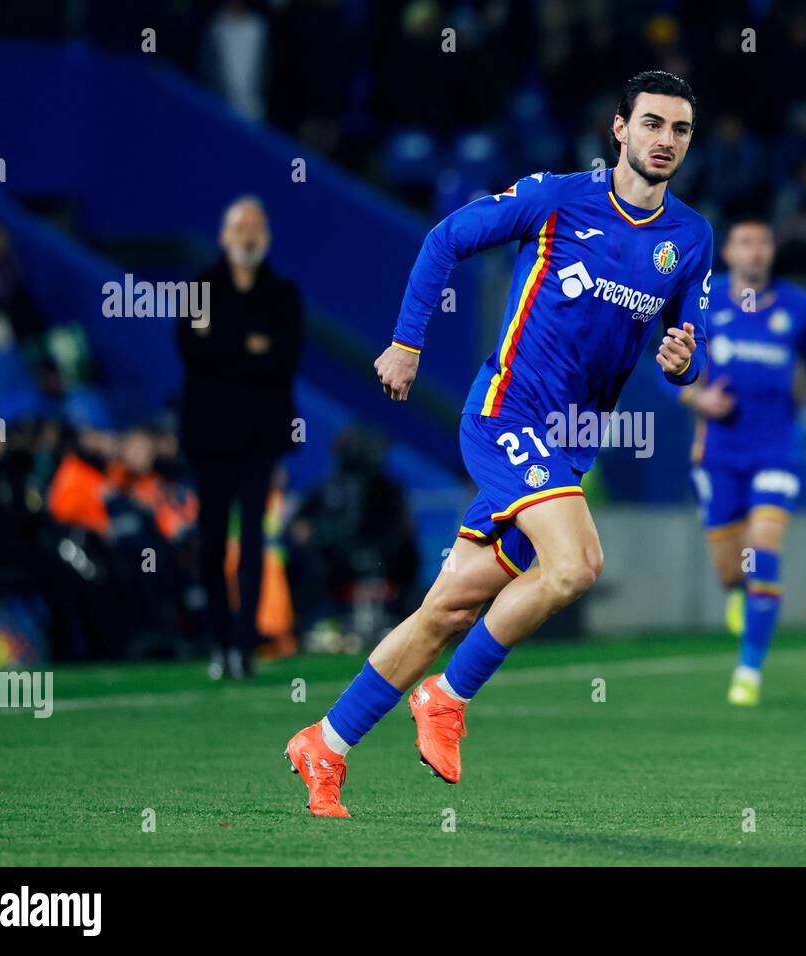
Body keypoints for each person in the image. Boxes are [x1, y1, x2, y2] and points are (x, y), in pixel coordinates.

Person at [285, 70, 712, 817]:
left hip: (568, 447)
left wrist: (686, 364)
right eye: (651, 124)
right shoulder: (558, 198)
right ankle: (447, 699)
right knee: (577, 564)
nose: (664, 140)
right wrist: (405, 344)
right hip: (503, 416)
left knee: (446, 612)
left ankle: (326, 741)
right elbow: (444, 238)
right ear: (619, 129)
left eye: (678, 129)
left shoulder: (691, 239)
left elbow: (686, 345)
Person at [679, 217, 806, 706]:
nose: (756, 251)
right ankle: (735, 591)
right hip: (720, 453)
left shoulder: (801, 307)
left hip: (777, 449)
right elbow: (671, 367)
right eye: (745, 243)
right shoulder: (703, 300)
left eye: (764, 243)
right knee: (731, 570)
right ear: (727, 252)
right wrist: (698, 401)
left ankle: (748, 670)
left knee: (765, 548)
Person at [176, 196, 303, 680]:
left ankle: (246, 646)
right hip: (208, 437)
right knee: (210, 542)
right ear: (224, 235)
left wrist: (221, 341)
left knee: (253, 541)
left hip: (260, 437)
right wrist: (248, 344)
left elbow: (283, 359)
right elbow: (191, 350)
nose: (248, 234)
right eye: (240, 226)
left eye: (257, 225)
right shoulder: (200, 286)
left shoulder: (283, 293)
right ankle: (219, 642)